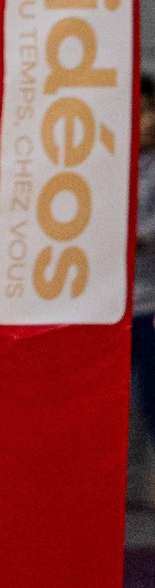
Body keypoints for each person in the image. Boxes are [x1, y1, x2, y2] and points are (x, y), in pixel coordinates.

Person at [132, 77, 155, 456]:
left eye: (148, 110)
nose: (141, 120)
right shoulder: (100, 164)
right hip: (107, 309)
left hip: (150, 306)